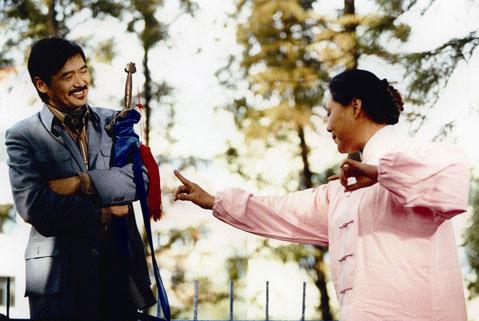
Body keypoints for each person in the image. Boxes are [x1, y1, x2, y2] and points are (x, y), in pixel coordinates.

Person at [173, 69, 470, 321]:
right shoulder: (343, 189)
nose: (327, 125)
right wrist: (215, 201)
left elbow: (454, 176)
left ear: (355, 106)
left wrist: (381, 173)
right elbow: (284, 210)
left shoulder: (416, 153)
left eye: (329, 112)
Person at [5, 37, 155, 321]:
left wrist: (81, 182)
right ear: (42, 85)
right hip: (59, 281)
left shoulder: (115, 122)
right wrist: (105, 211)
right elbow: (35, 206)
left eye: (83, 71)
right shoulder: (23, 136)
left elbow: (141, 180)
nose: (80, 82)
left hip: (117, 273)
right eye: (67, 76)